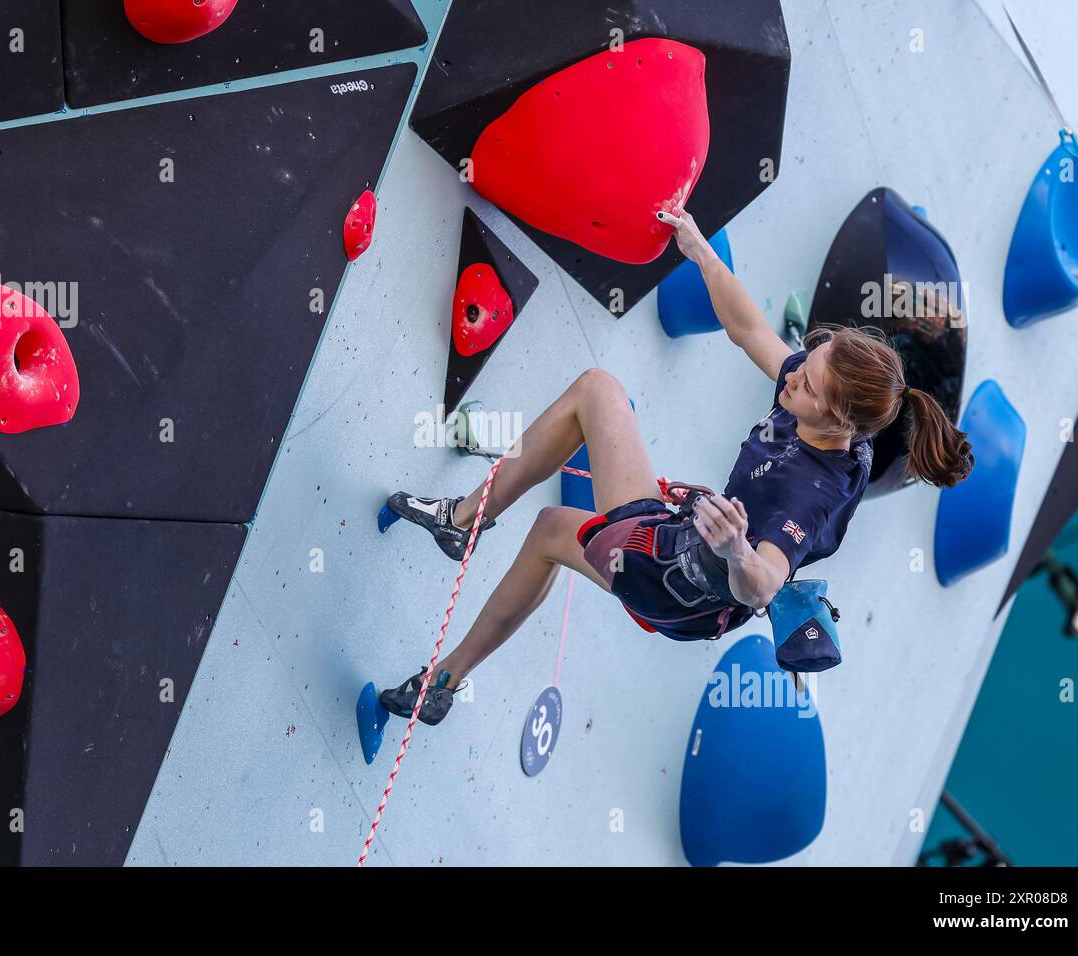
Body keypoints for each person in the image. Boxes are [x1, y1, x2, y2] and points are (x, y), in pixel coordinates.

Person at [379, 210, 974, 725]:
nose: (791, 376)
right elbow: (750, 331)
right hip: (691, 539)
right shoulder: (812, 399)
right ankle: (462, 525)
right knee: (596, 390)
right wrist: (701, 251)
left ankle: (446, 680)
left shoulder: (810, 494)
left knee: (551, 532)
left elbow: (763, 582)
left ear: (839, 420)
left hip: (681, 585)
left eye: (808, 382)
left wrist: (739, 549)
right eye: (808, 360)